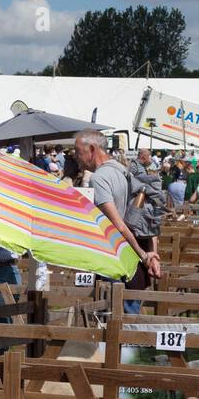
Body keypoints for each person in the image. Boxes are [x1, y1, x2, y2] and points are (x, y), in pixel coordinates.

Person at [73, 130, 161, 314]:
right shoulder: (124, 170)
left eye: (77, 151)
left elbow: (117, 226)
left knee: (114, 325)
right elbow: (148, 217)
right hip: (134, 264)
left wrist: (145, 256)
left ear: (91, 149)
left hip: (116, 261)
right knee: (130, 326)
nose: (76, 157)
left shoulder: (99, 178)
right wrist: (152, 254)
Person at [125, 161, 166, 290]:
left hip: (133, 248)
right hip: (141, 249)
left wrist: (151, 256)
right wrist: (153, 256)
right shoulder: (152, 198)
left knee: (133, 289)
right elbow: (152, 228)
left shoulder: (132, 194)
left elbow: (130, 226)